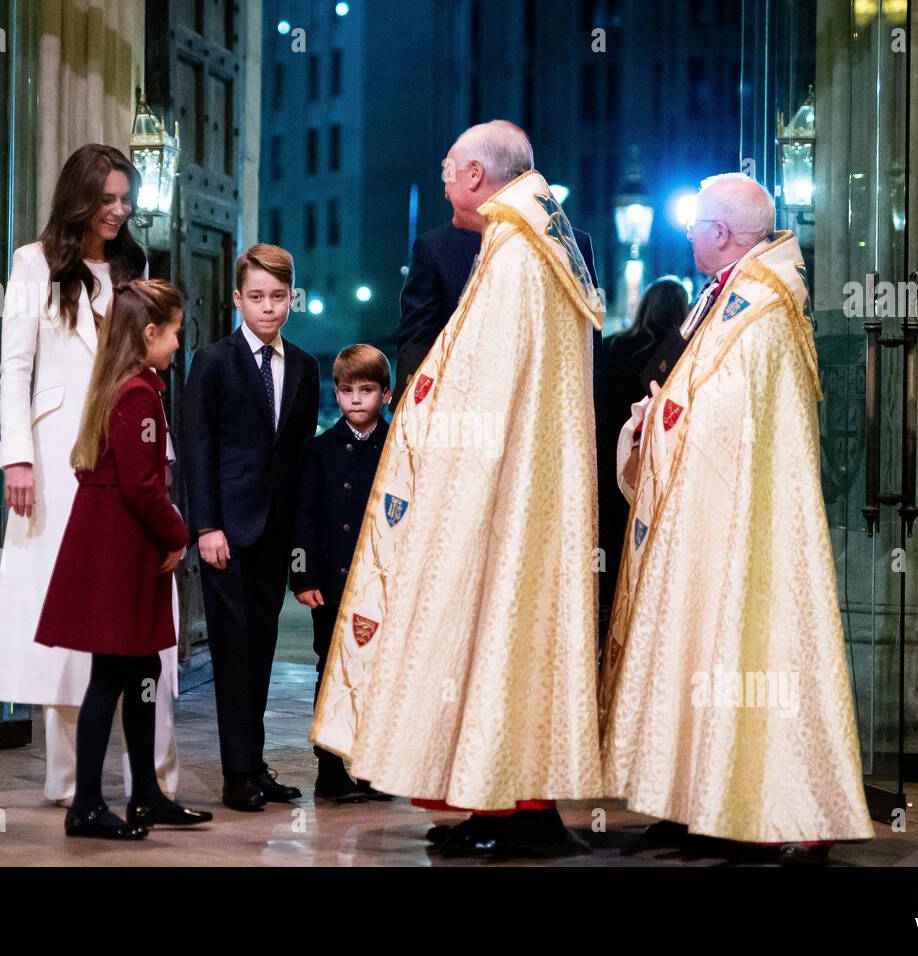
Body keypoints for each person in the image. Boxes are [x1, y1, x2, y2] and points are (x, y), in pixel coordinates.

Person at [312, 120, 604, 859]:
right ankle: (488, 800)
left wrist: (427, 424)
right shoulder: (535, 235)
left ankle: (523, 809)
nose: (443, 180)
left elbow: (482, 373)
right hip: (514, 475)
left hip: (503, 484)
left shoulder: (517, 249)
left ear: (476, 174)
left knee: (506, 631)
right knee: (482, 636)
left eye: (449, 168)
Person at [601, 173, 874, 866]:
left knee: (754, 652)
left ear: (720, 235)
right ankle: (701, 799)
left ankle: (783, 809)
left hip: (747, 521)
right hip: (709, 516)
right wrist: (657, 413)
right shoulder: (728, 296)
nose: (688, 235)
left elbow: (731, 417)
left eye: (695, 226)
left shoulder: (760, 305)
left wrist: (660, 417)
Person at [0, 144, 181, 805]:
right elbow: (15, 366)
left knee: (146, 614)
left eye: (125, 198)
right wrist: (17, 455)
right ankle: (70, 784)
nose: (119, 210)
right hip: (57, 462)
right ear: (79, 198)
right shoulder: (33, 264)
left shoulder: (134, 266)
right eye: (107, 199)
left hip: (130, 453)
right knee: (75, 615)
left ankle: (151, 782)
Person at [34, 279, 211, 839]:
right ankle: (85, 805)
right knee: (110, 675)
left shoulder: (127, 385)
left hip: (118, 543)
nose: (180, 343)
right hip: (122, 549)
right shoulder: (137, 394)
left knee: (142, 670)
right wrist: (180, 534)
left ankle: (146, 797)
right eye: (176, 333)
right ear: (150, 333)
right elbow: (141, 486)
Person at [182, 243, 321, 812]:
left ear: (293, 298)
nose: (268, 307)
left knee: (261, 650)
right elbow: (197, 449)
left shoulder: (307, 368)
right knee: (233, 653)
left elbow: (298, 458)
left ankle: (255, 764)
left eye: (279, 296)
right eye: (257, 297)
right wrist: (206, 526)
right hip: (226, 533)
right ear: (237, 298)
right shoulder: (213, 361)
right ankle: (236, 774)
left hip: (275, 534)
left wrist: (299, 542)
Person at [392, 124, 599, 406]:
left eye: (448, 174)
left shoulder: (568, 245)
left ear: (475, 174)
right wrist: (410, 414)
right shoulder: (435, 249)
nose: (444, 190)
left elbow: (587, 352)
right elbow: (417, 343)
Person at [291, 344, 393, 803]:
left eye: (366, 390)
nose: (355, 399)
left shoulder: (397, 449)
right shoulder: (319, 451)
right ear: (336, 392)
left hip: (380, 582)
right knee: (331, 670)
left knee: (377, 672)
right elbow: (304, 516)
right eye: (347, 390)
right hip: (331, 581)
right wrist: (303, 576)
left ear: (385, 395)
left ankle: (372, 767)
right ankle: (330, 769)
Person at [595, 278, 689, 640]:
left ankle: (607, 616)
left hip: (609, 464)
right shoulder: (684, 356)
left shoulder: (613, 347)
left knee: (612, 541)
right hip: (656, 465)